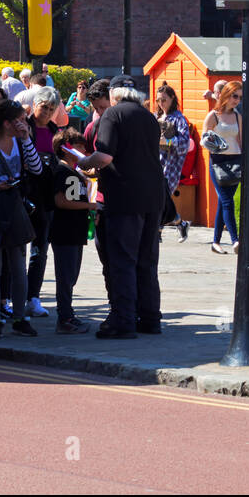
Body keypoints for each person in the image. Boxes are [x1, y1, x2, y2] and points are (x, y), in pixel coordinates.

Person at [80, 76, 166, 338]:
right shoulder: (149, 116)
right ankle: (150, 318)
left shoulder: (112, 116)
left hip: (124, 197)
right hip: (153, 196)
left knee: (122, 261)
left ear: (114, 94)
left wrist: (84, 162)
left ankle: (123, 321)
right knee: (147, 260)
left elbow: (104, 156)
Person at [0, 99, 42, 338]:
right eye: (18, 121)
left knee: (19, 267)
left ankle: (20, 317)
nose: (22, 124)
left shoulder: (20, 140)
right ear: (6, 122)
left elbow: (37, 168)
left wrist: (27, 139)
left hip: (14, 205)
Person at [23, 85, 63, 318]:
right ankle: (9, 296)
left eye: (51, 108)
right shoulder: (24, 127)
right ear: (35, 105)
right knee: (16, 249)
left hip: (46, 196)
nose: (46, 112)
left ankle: (33, 297)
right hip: (25, 194)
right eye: (43, 107)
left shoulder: (53, 129)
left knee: (40, 250)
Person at [50, 127, 94, 334]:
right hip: (65, 231)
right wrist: (90, 206)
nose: (84, 151)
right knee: (66, 277)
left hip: (75, 231)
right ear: (66, 149)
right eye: (79, 146)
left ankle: (67, 315)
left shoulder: (74, 172)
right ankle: (64, 318)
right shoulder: (62, 171)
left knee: (72, 276)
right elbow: (61, 201)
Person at [203, 80, 242, 254]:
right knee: (227, 201)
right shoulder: (213, 115)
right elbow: (203, 140)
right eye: (234, 96)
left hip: (236, 161)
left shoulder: (237, 116)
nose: (237, 100)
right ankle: (235, 240)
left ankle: (215, 242)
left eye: (240, 97)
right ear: (225, 94)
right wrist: (214, 144)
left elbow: (240, 141)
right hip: (218, 162)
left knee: (222, 202)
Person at [155, 83, 191, 241]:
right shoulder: (157, 117)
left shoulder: (179, 118)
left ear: (172, 99)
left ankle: (158, 232)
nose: (161, 103)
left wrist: (168, 141)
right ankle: (179, 223)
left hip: (172, 165)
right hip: (157, 162)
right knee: (161, 198)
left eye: (164, 99)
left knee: (162, 198)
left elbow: (185, 143)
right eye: (158, 100)